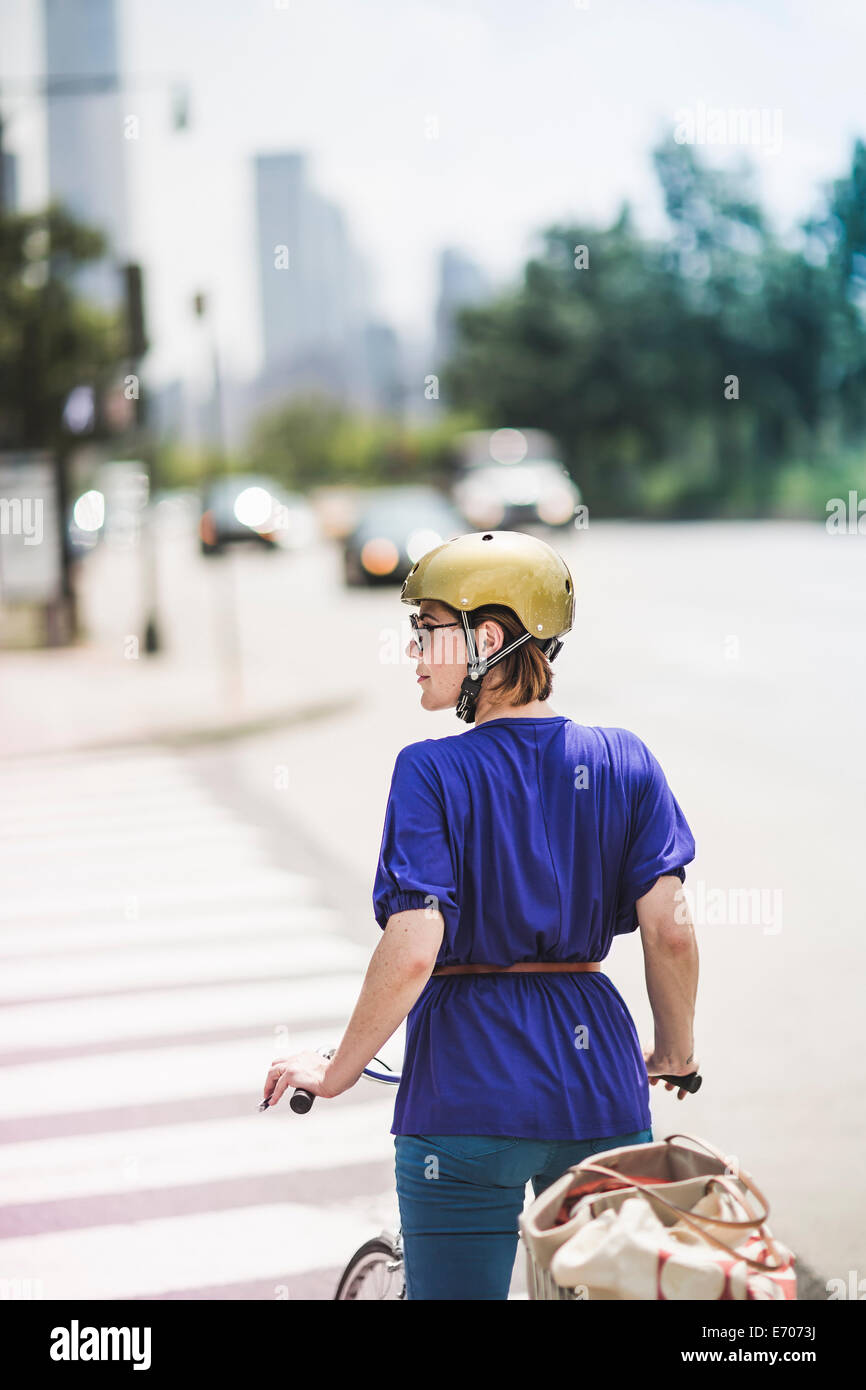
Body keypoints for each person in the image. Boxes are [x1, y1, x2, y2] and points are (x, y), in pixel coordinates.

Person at [263, 529, 699, 1300]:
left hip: (466, 1084)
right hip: (599, 1082)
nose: (414, 652)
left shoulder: (430, 770)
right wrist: (674, 1052)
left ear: (485, 637)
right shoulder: (626, 759)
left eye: (426, 630)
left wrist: (339, 1070)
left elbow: (414, 947)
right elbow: (671, 928)